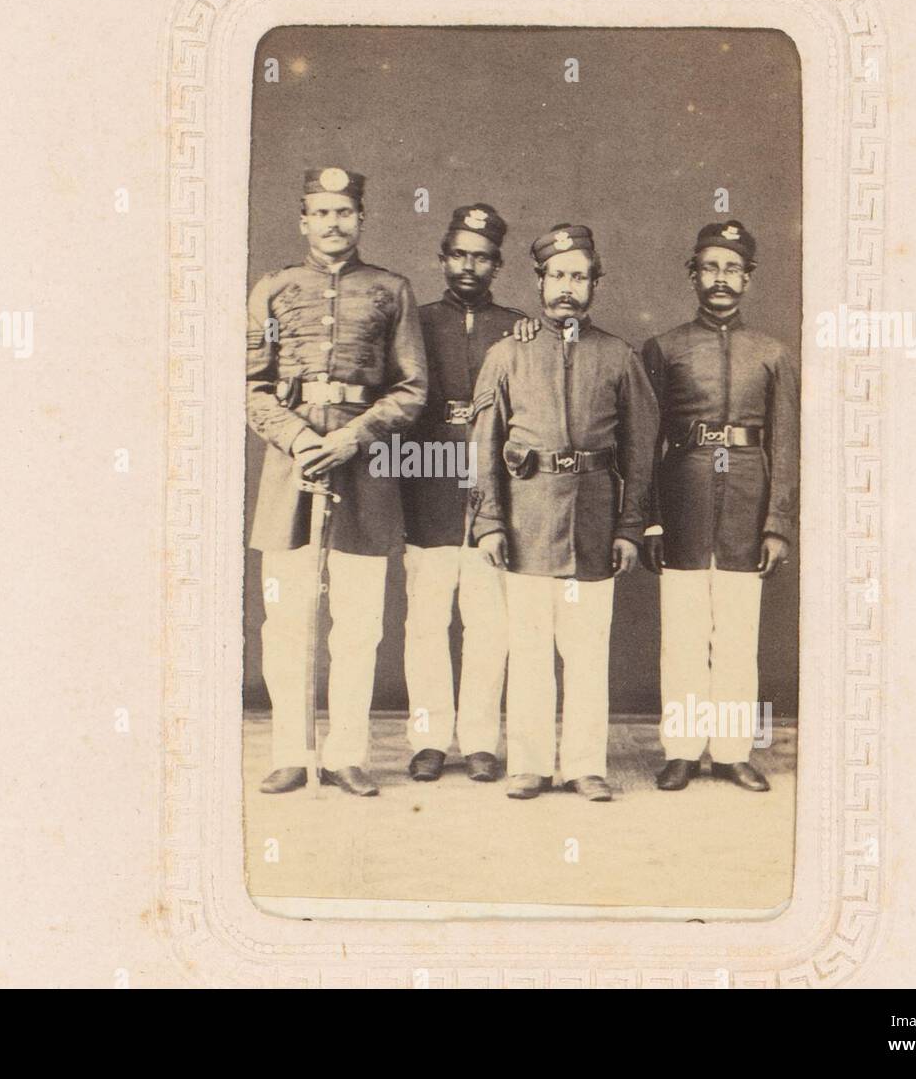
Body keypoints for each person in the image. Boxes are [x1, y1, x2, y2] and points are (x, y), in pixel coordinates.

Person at [245, 166, 427, 797]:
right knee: (285, 618)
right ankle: (292, 751)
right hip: (288, 471)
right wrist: (299, 440)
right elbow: (252, 385)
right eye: (321, 213)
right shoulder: (273, 289)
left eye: (344, 213)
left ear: (361, 219)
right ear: (303, 221)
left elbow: (413, 389)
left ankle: (347, 753)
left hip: (365, 470)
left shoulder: (390, 290)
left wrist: (352, 437)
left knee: (359, 620)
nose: (333, 224)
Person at [469, 225, 659, 801]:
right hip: (527, 524)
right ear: (540, 281)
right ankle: (528, 764)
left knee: (586, 652)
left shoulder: (618, 356)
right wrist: (489, 521)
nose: (567, 288)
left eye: (579, 276)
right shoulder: (507, 353)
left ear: (595, 284)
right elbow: (484, 446)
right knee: (527, 650)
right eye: (557, 276)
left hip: (595, 526)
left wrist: (630, 527)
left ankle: (584, 765)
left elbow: (642, 449)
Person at [638, 220, 800, 792]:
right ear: (693, 274)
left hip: (747, 506)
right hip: (682, 501)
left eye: (732, 268)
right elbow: (644, 441)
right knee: (682, 633)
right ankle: (681, 750)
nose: (721, 279)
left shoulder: (772, 354)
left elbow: (784, 444)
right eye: (710, 267)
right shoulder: (664, 349)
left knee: (736, 634)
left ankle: (732, 752)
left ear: (749, 279)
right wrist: (651, 518)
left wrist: (777, 525)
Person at [400, 204, 526, 784]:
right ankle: (428, 739)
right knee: (425, 622)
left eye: (481, 256)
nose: (468, 265)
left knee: (489, 623)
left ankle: (479, 740)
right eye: (459, 254)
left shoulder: (518, 326)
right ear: (442, 259)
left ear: (497, 264)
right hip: (425, 484)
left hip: (490, 494)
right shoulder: (416, 321)